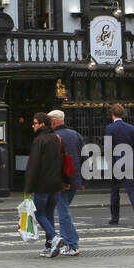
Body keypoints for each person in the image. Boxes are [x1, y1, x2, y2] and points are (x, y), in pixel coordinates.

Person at [24, 113, 66, 257]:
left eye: (35, 123)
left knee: (39, 213)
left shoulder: (39, 140)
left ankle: (54, 238)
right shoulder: (56, 138)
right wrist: (65, 181)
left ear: (42, 124)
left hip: (42, 184)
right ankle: (49, 246)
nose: (33, 125)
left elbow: (33, 165)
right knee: (48, 214)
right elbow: (63, 160)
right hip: (56, 183)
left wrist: (28, 187)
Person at [49, 109, 83, 255]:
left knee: (63, 212)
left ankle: (71, 244)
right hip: (74, 178)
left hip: (60, 180)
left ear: (54, 122)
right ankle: (68, 241)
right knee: (64, 209)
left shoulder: (53, 137)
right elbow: (84, 157)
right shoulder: (76, 135)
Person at [106, 104, 134, 229]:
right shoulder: (131, 128)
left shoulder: (109, 128)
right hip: (129, 162)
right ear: (123, 114)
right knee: (132, 191)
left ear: (112, 114)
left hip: (116, 164)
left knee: (114, 191)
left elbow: (108, 148)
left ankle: (115, 217)